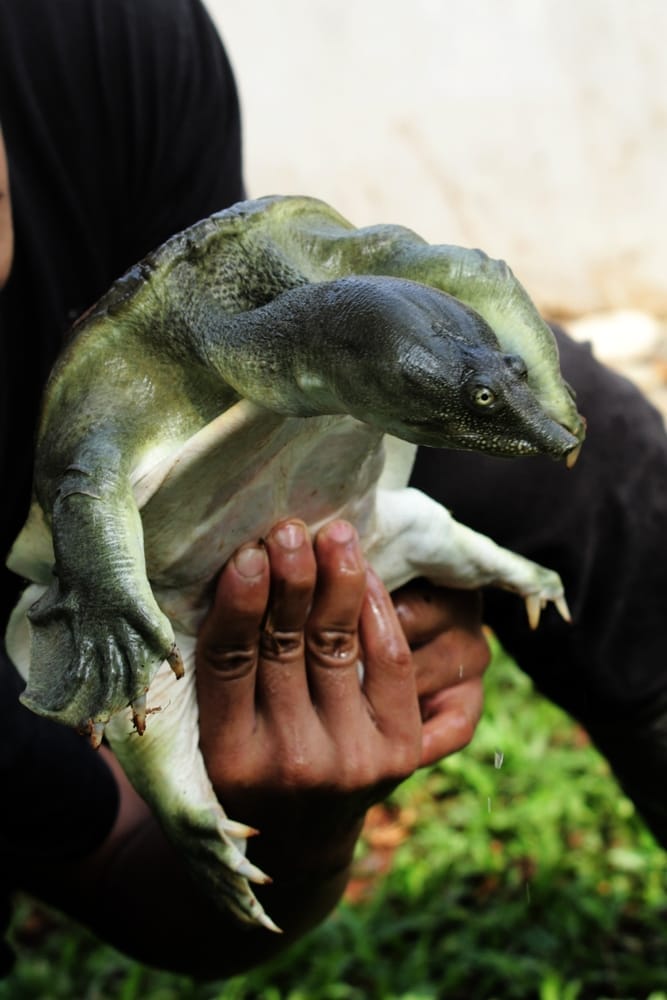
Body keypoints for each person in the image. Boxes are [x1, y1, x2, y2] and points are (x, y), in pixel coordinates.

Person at [0, 0, 490, 978]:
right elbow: (135, 871)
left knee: (589, 466)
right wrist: (294, 837)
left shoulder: (108, 41)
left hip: (189, 506)